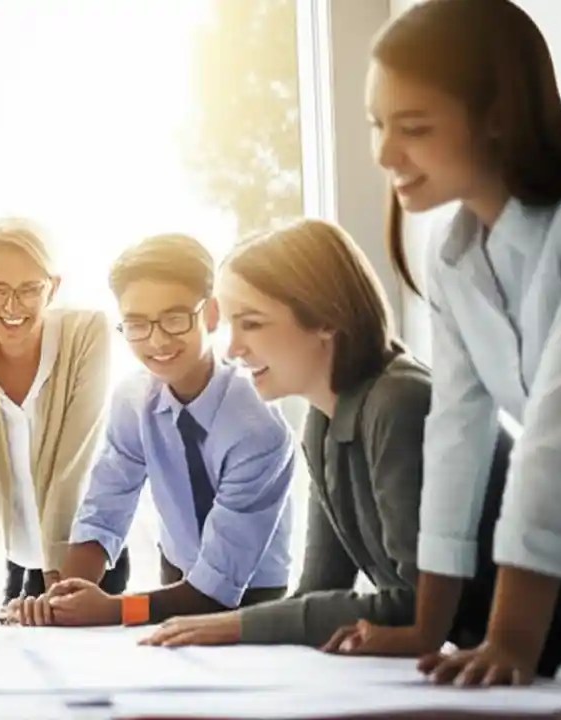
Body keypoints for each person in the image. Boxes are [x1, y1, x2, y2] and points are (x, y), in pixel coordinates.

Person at [332, 0, 561, 685]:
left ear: (498, 115)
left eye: (412, 127)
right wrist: (424, 628)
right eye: (379, 126)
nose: (384, 154)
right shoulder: (453, 253)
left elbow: (557, 446)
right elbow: (454, 440)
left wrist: (511, 641)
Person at [139, 220, 515, 652]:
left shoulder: (401, 402)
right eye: (231, 325)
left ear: (325, 319)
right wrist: (229, 627)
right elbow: (317, 590)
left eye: (253, 323)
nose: (232, 349)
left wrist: (235, 625)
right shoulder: (321, 421)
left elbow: (419, 606)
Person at [12, 233, 295, 627]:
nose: (157, 340)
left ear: (211, 315)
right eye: (137, 324)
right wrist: (63, 598)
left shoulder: (257, 428)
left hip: (252, 600)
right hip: (174, 581)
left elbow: (217, 590)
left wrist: (113, 609)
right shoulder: (134, 400)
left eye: (175, 319)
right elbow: (103, 513)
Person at [0, 217, 115, 620]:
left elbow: (71, 470)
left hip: (86, 563)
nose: (11, 307)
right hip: (23, 566)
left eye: (30, 289)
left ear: (54, 287)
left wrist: (56, 591)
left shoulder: (87, 335)